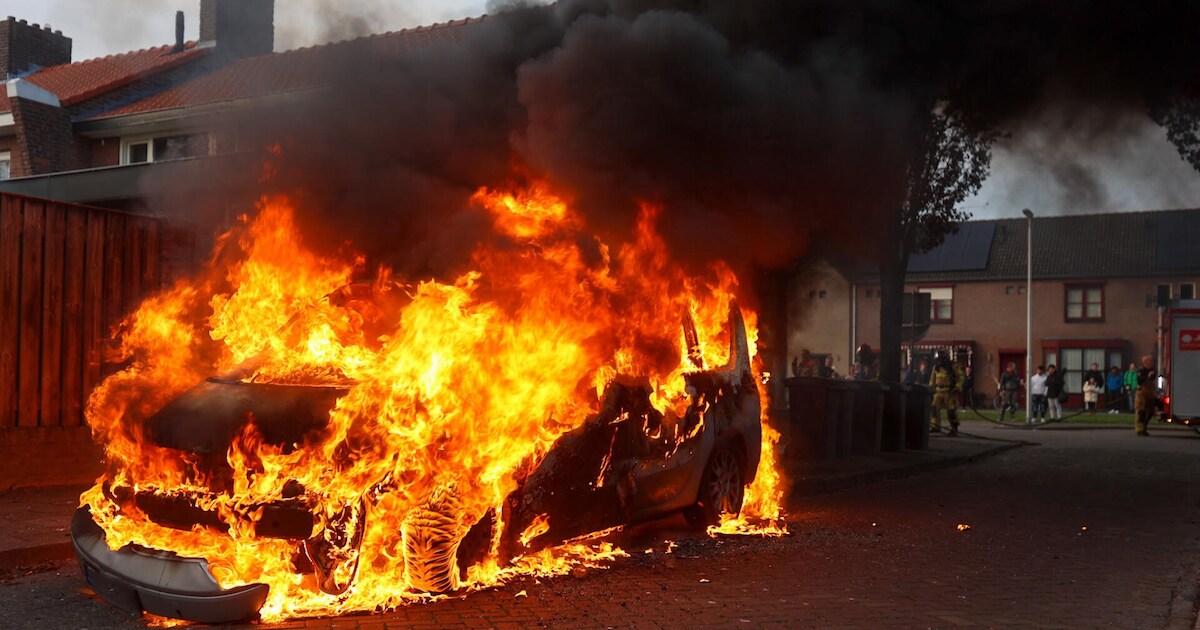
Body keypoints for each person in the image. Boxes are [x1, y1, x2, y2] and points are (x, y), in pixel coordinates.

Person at [930, 352, 960, 436]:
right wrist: (930, 389)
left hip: (949, 391)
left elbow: (960, 377)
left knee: (951, 410)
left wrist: (957, 386)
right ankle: (935, 426)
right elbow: (932, 379)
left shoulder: (952, 366)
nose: (938, 361)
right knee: (934, 407)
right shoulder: (936, 367)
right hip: (938, 390)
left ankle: (954, 428)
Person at [1134, 354, 1159, 436]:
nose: (1151, 362)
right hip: (1141, 394)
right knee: (1141, 411)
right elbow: (1139, 380)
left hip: (1150, 394)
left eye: (1151, 361)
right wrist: (1147, 376)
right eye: (1149, 361)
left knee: (1150, 411)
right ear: (1144, 362)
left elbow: (1154, 377)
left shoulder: (1153, 370)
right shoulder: (1141, 370)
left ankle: (1144, 426)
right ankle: (1139, 429)